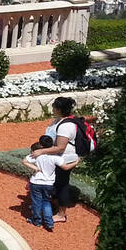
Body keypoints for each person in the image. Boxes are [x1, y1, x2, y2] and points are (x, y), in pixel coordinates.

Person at [42, 96, 81, 224]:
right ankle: (54, 204)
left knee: (62, 185)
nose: (52, 108)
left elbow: (60, 147)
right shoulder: (58, 121)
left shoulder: (65, 126)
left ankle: (61, 214)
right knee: (55, 182)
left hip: (63, 159)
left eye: (54, 106)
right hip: (56, 158)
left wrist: (41, 151)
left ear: (58, 109)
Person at [23, 136, 61, 232]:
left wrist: (35, 168)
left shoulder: (36, 155)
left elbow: (24, 161)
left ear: (40, 144)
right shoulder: (55, 156)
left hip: (36, 182)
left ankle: (37, 221)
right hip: (49, 183)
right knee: (46, 202)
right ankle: (49, 223)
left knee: (36, 202)